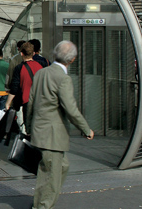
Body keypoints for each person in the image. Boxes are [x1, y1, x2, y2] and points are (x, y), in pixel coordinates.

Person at [27, 41, 93, 209]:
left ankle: (40, 203)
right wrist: (86, 129)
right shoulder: (63, 79)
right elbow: (71, 109)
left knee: (61, 166)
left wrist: (28, 127)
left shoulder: (41, 73)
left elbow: (31, 102)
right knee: (51, 175)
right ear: (72, 60)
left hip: (40, 130)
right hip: (53, 135)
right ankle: (42, 206)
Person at [2, 42, 42, 136]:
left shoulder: (19, 68)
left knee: (28, 129)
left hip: (27, 102)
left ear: (21, 53)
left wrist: (8, 103)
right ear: (33, 53)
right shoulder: (40, 66)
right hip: (40, 101)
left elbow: (14, 87)